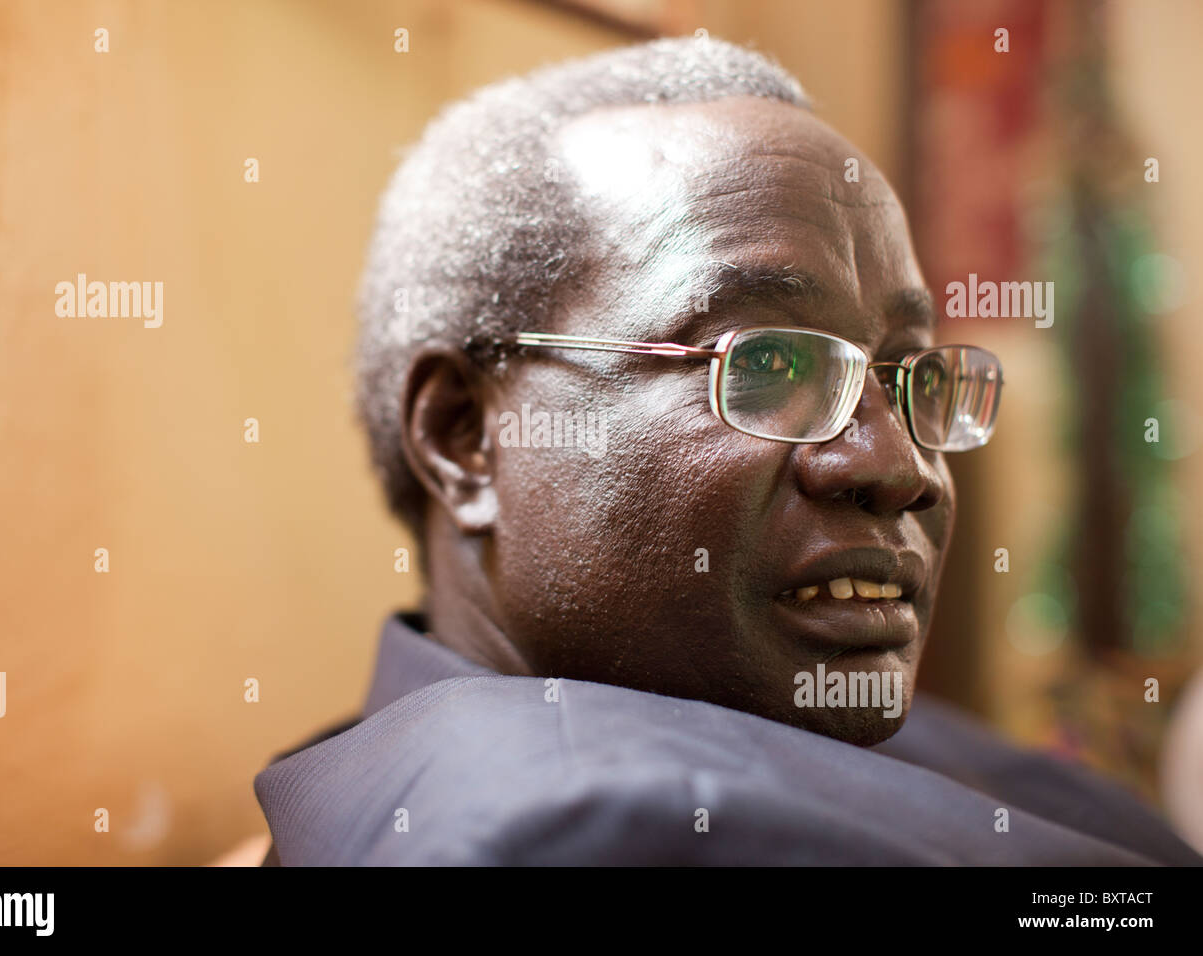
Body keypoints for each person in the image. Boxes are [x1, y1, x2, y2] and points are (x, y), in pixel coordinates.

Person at [250, 37, 1201, 865]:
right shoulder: (588, 829)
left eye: (909, 374)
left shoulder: (715, 707)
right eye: (770, 363)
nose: (899, 466)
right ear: (464, 436)